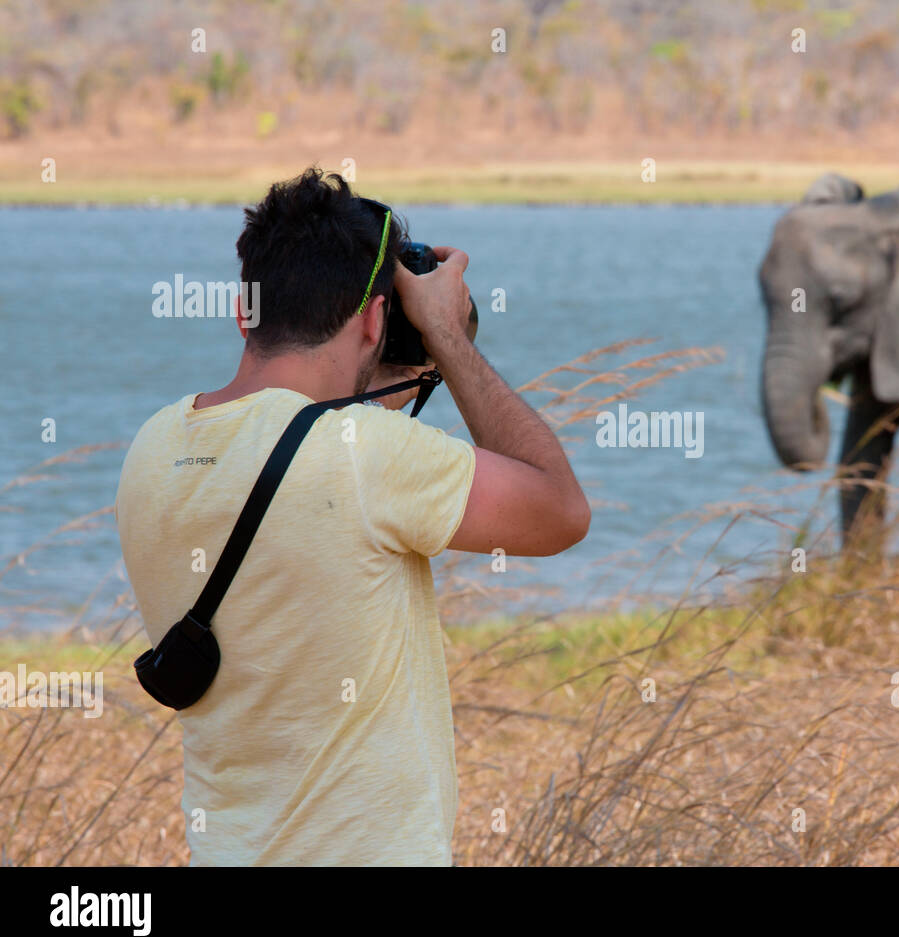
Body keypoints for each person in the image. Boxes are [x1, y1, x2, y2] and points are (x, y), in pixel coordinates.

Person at [114, 168, 589, 865]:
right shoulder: (367, 456)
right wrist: (447, 339)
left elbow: (297, 479)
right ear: (376, 320)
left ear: (245, 311)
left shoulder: (153, 446)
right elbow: (560, 511)